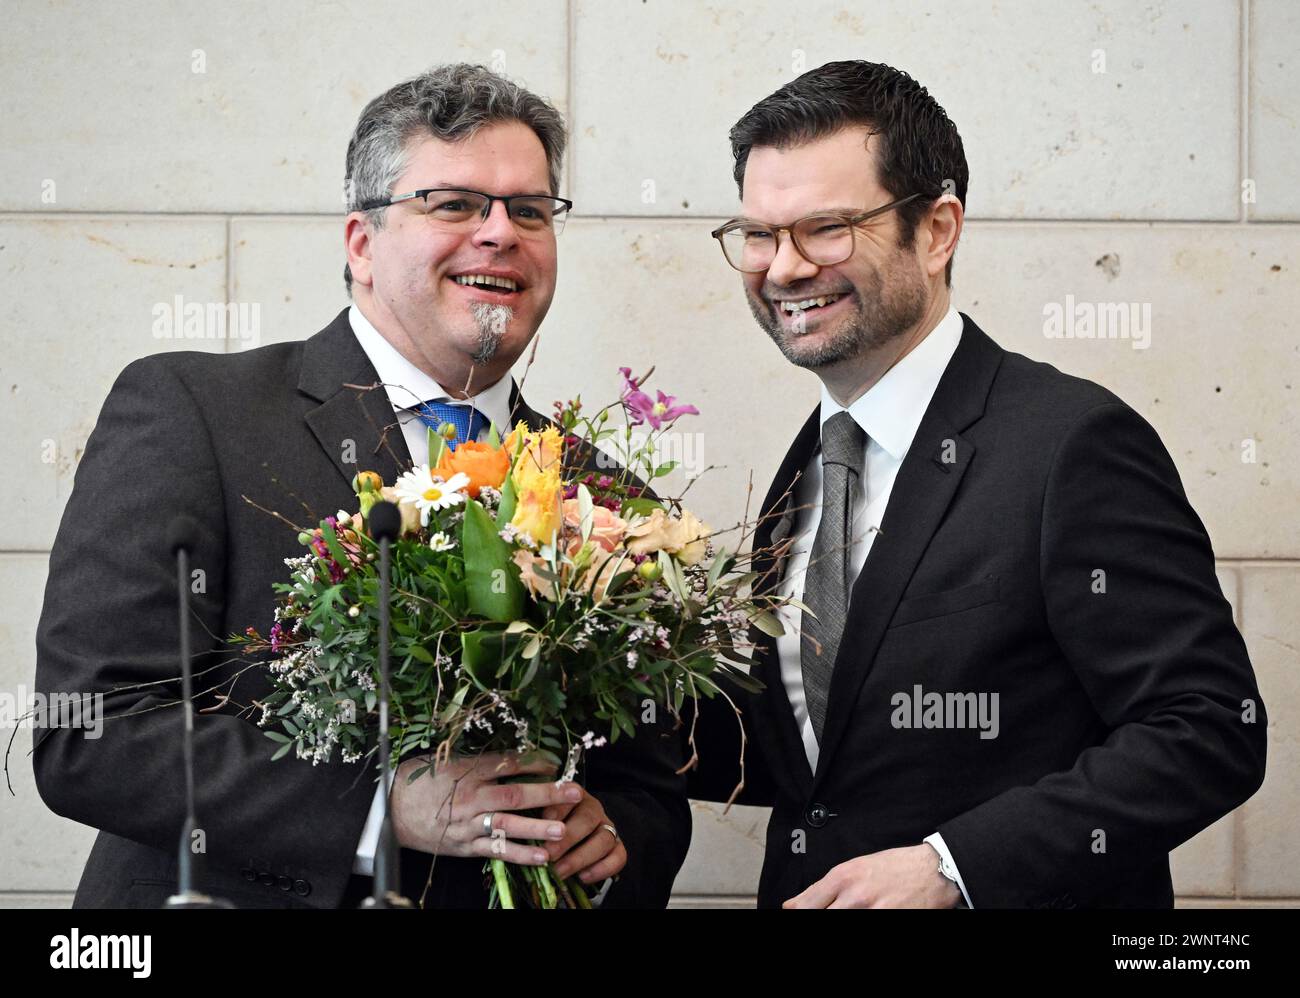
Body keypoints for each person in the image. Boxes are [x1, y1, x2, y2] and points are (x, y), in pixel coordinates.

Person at [33, 63, 689, 909]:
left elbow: (653, 794)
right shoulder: (196, 411)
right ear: (361, 243)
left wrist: (614, 835)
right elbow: (93, 734)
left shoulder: (608, 498)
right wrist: (382, 809)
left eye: (529, 209)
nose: (499, 233)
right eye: (452, 204)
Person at [686, 59, 1267, 908]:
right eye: (761, 234)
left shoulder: (1072, 443)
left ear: (937, 229)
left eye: (827, 228)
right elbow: (815, 745)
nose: (783, 267)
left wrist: (954, 868)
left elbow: (1210, 729)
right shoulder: (810, 462)